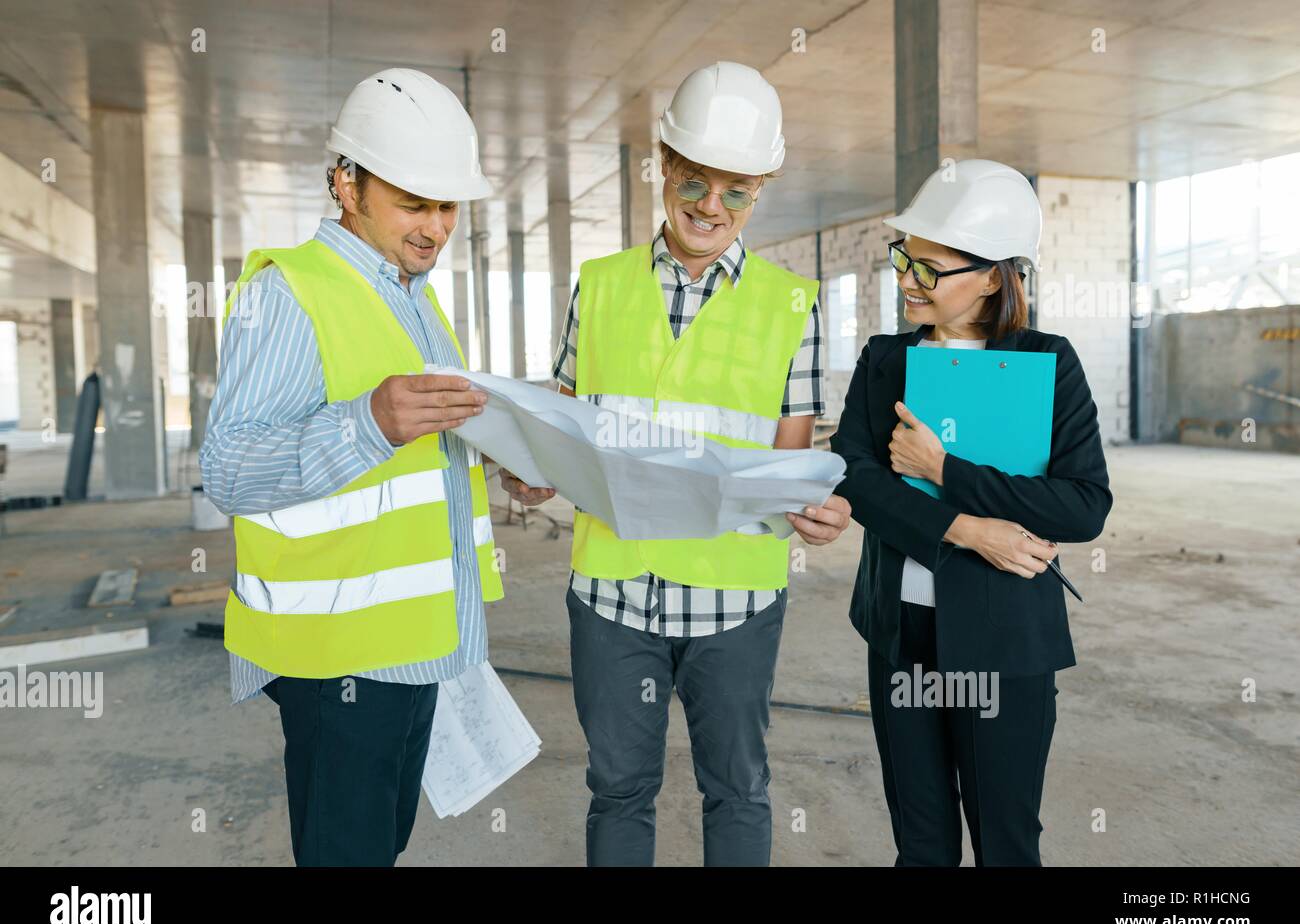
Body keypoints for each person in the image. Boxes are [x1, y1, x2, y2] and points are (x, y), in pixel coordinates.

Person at [501, 61, 850, 866]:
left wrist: (814, 513)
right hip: (612, 596)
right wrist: (530, 474)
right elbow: (558, 427)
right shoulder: (599, 287)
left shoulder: (792, 305)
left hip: (735, 604)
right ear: (664, 164)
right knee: (618, 790)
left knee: (737, 790)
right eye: (695, 181)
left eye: (737, 191)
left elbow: (786, 472)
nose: (710, 208)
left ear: (760, 190)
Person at [199, 68, 502, 866]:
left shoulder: (411, 296)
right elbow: (229, 471)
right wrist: (368, 421)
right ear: (346, 183)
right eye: (413, 202)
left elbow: (420, 452)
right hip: (337, 655)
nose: (435, 227)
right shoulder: (290, 293)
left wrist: (510, 461)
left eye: (447, 206)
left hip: (413, 642)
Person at [830, 159, 1113, 866]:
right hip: (903, 635)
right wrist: (965, 529)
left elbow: (1083, 505)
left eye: (930, 269)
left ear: (993, 275)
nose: (907, 280)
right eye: (905, 260)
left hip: (1006, 638)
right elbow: (857, 477)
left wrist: (944, 472)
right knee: (921, 845)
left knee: (1005, 842)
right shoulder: (885, 359)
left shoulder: (1049, 362)